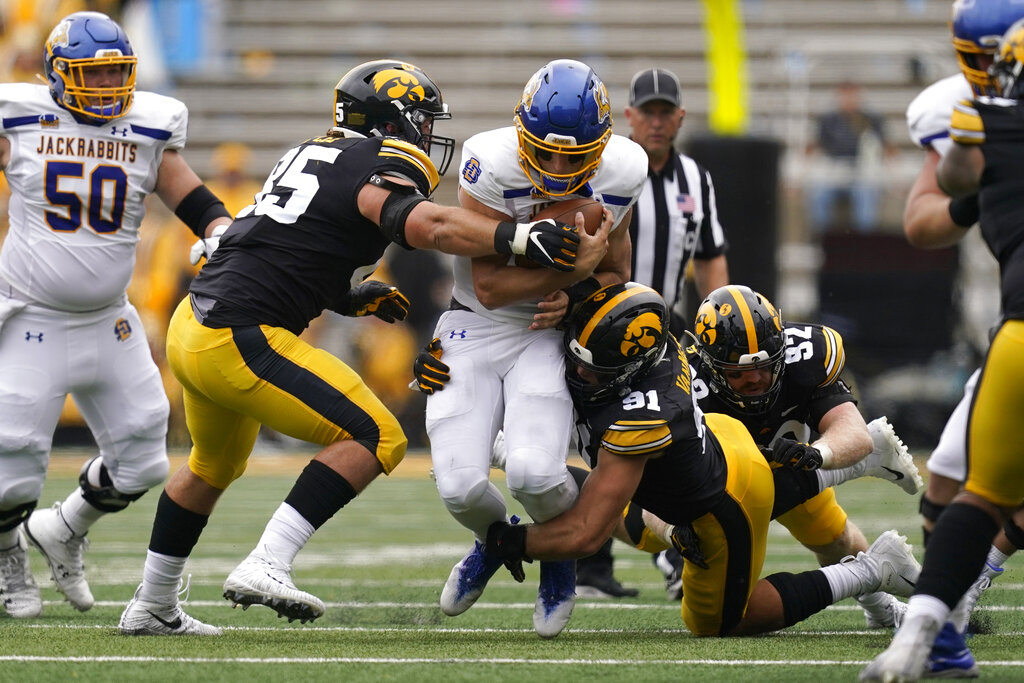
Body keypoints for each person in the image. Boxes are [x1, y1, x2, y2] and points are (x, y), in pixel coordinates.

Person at [116, 58, 598, 636]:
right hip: (240, 335)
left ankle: (153, 603)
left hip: (194, 325)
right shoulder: (376, 161)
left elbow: (276, 247)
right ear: (389, 123)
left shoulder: (311, 152)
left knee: (210, 466)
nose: (427, 135)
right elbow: (425, 226)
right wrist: (518, 236)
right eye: (421, 121)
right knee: (376, 435)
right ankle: (268, 561)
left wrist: (346, 298)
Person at [483, 281, 924, 638]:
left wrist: (818, 453)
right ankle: (867, 538)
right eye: (738, 372)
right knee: (642, 525)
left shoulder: (804, 351)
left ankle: (881, 603)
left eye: (765, 366)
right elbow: (657, 485)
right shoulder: (685, 386)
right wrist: (672, 529)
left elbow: (852, 432)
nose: (755, 379)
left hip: (789, 461)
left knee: (834, 537)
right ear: (710, 366)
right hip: (740, 469)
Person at [0, 11, 235, 619]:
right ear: (58, 74)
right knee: (11, 462)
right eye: (93, 74)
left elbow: (191, 196)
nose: (107, 86)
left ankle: (64, 527)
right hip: (32, 316)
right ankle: (6, 554)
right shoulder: (19, 118)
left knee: (143, 458)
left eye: (115, 73)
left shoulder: (146, 126)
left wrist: (219, 231)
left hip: (109, 318)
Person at [426, 58, 646, 639]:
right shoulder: (489, 161)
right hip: (473, 323)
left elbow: (616, 273)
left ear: (601, 148)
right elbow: (491, 287)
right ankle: (493, 541)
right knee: (459, 487)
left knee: (534, 472)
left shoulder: (625, 169)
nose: (555, 169)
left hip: (547, 332)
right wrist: (571, 273)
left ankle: (554, 557)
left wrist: (574, 299)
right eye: (544, 154)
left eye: (574, 158)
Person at [862, 16, 1024, 681]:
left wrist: (983, 149)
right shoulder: (973, 117)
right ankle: (944, 635)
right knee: (953, 481)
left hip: (1019, 330)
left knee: (975, 491)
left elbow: (960, 171)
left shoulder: (977, 121)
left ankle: (938, 627)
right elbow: (924, 219)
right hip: (1013, 329)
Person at [574, 67, 732, 600]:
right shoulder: (607, 167)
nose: (658, 122)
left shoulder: (696, 179)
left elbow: (710, 256)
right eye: (649, 112)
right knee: (599, 438)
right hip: (597, 324)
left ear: (680, 117)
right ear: (630, 116)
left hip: (663, 328)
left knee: (671, 437)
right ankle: (595, 563)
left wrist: (718, 320)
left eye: (667, 112)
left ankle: (673, 550)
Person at [804, 81, 895, 234]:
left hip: (863, 172)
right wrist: (800, 175)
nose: (849, 100)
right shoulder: (827, 120)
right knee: (818, 194)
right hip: (834, 172)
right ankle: (822, 239)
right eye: (845, 96)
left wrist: (895, 178)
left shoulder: (872, 119)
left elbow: (887, 148)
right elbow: (813, 147)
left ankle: (862, 241)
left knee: (866, 195)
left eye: (852, 96)